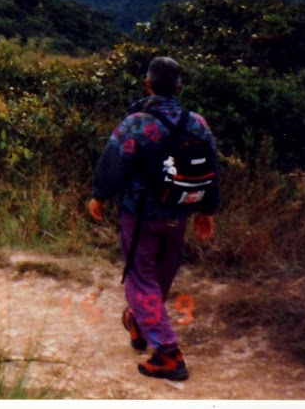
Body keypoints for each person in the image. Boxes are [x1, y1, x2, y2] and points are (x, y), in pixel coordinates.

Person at [89, 55, 220, 382]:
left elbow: (113, 161)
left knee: (141, 277)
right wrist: (207, 210)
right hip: (179, 214)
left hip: (141, 215)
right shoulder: (197, 122)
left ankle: (168, 354)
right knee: (161, 275)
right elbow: (211, 167)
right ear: (179, 86)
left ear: (147, 84)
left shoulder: (136, 123)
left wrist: (99, 196)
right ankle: (139, 321)